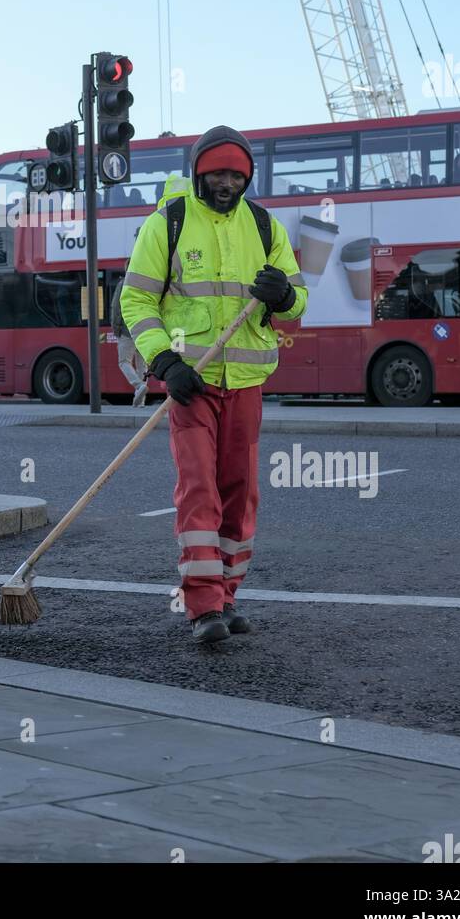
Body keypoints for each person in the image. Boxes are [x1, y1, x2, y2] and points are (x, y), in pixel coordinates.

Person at [120, 126, 307, 644]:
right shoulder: (169, 223)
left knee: (240, 492)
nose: (226, 182)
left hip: (246, 382)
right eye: (217, 173)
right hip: (190, 384)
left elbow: (298, 308)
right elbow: (136, 301)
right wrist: (163, 361)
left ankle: (227, 595)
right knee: (199, 489)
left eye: (235, 175)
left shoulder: (266, 226)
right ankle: (203, 606)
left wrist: (283, 295)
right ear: (199, 172)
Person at [111, 275, 148, 408]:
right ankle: (141, 401)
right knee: (142, 365)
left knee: (124, 362)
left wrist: (116, 328)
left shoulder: (123, 283)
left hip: (128, 330)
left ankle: (139, 386)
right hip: (143, 329)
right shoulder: (145, 281)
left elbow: (116, 307)